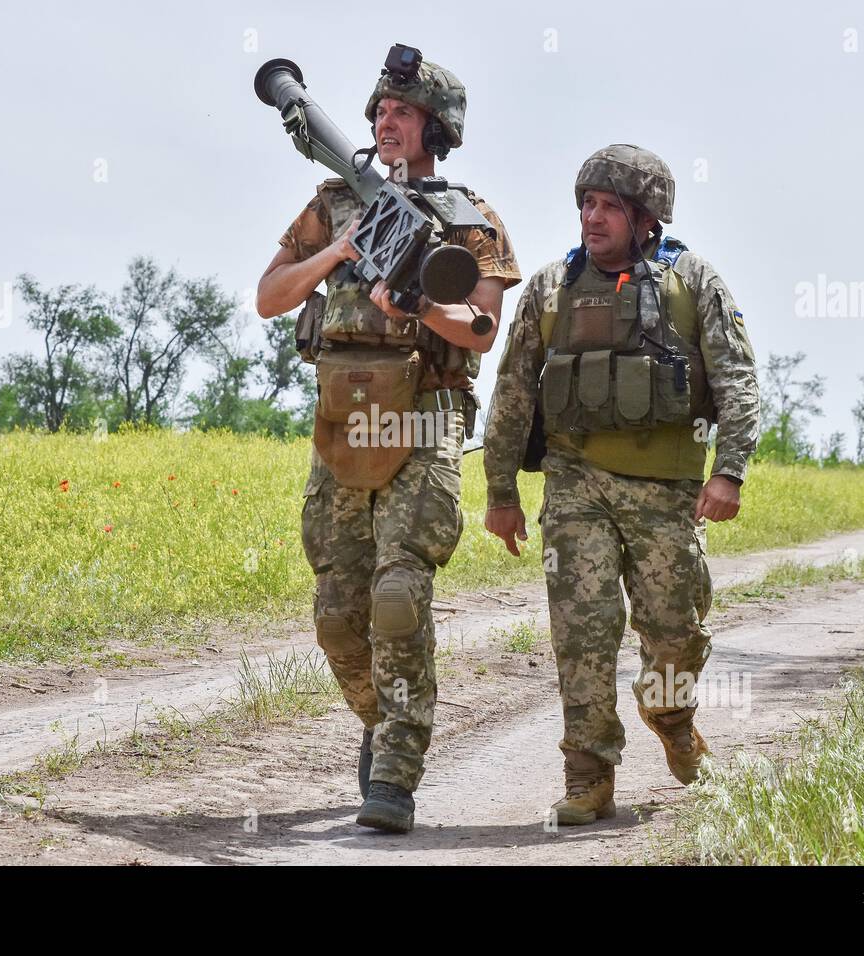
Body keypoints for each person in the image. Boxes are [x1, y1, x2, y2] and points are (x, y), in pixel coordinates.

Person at [255, 48, 519, 833]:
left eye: (401, 113)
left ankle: (398, 771)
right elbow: (269, 297)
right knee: (337, 615)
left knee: (398, 596)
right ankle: (379, 720)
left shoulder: (470, 218)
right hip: (343, 418)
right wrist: (337, 253)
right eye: (378, 112)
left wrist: (411, 307)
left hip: (426, 415)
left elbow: (479, 331)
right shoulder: (335, 203)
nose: (384, 122)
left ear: (434, 126)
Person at [481, 145, 759, 825]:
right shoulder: (550, 290)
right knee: (583, 629)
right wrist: (501, 495)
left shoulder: (692, 282)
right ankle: (588, 776)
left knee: (675, 634)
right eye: (587, 204)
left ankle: (671, 718)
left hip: (667, 491)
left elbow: (738, 382)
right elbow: (513, 394)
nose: (592, 218)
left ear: (647, 220)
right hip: (576, 483)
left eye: (609, 207)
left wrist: (728, 470)